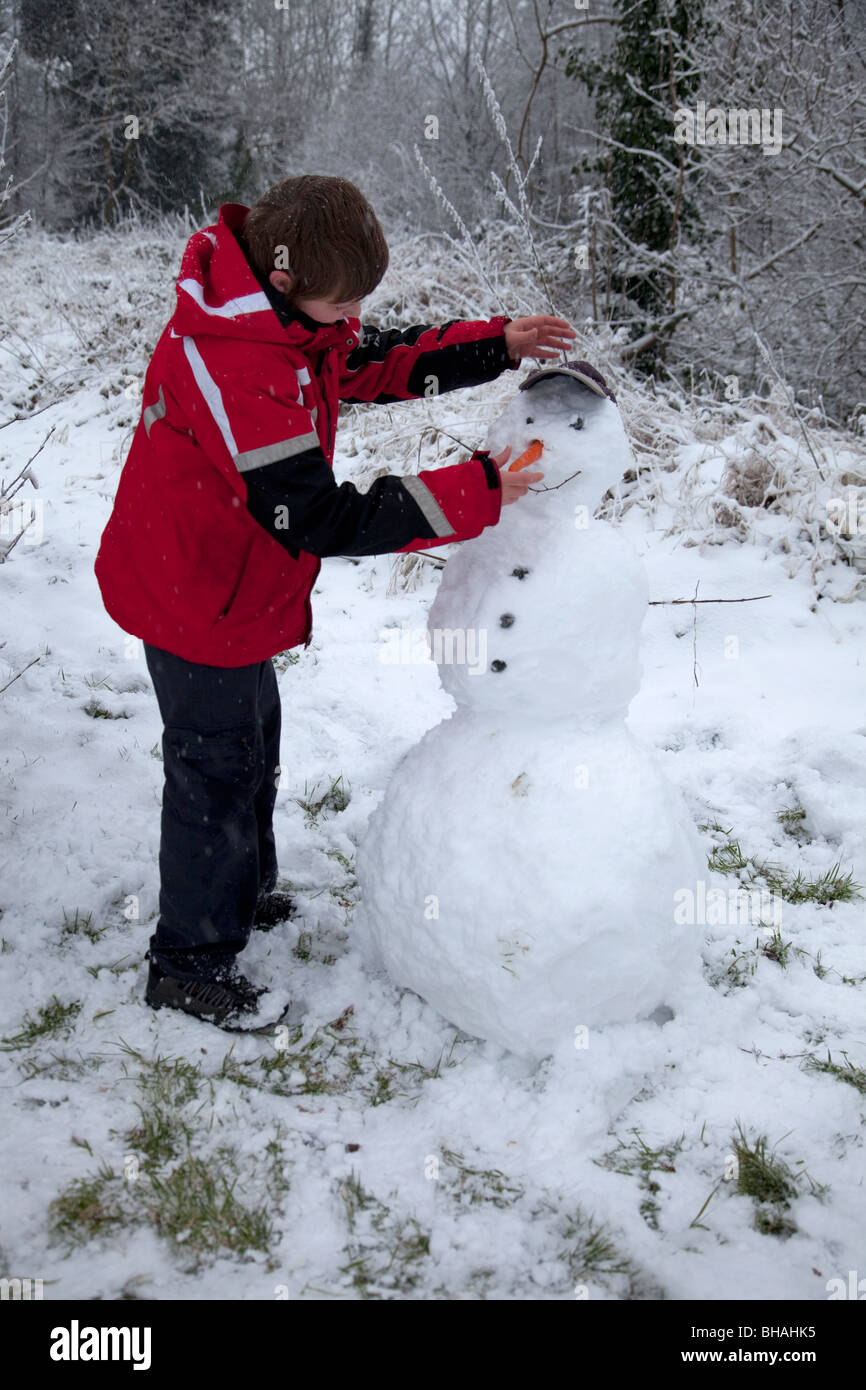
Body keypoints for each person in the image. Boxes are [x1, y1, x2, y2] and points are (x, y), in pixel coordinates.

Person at [94, 173, 577, 1029]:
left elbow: (373, 360)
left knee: (253, 744)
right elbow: (319, 516)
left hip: (226, 587)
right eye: (342, 299)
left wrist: (494, 344)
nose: (352, 315)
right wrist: (478, 490)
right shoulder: (235, 363)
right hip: (194, 594)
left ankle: (241, 895)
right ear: (283, 281)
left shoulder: (276, 321)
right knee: (214, 772)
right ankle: (189, 962)